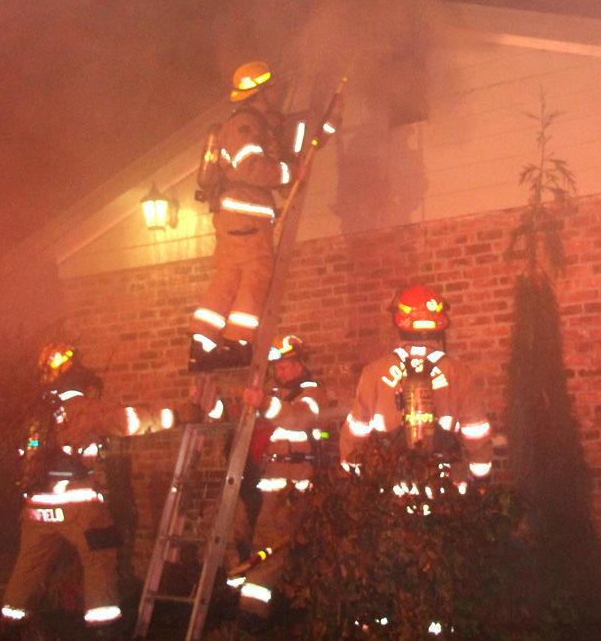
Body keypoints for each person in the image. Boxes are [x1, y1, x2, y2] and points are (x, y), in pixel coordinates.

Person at [0, 343, 175, 634]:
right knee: (100, 559)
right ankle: (103, 629)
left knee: (28, 568)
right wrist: (175, 416)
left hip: (36, 508)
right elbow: (128, 421)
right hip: (77, 507)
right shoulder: (83, 407)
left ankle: (10, 626)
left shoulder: (39, 411)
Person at [188, 61, 294, 372]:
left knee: (229, 276)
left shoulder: (248, 124)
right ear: (261, 93)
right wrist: (289, 172)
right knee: (256, 274)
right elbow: (251, 169)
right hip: (246, 216)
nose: (277, 94)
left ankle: (203, 342)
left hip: (236, 217)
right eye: (272, 89)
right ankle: (238, 343)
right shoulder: (246, 125)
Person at [225, 334, 332, 622]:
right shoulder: (274, 394)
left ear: (300, 365)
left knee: (271, 543)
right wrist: (218, 402)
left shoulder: (312, 395)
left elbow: (298, 419)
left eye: (285, 366)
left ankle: (252, 611)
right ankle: (236, 596)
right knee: (241, 532)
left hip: (291, 484)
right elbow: (240, 418)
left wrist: (265, 403)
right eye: (277, 367)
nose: (280, 372)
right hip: (260, 479)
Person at [340, 284, 493, 485]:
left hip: (390, 489)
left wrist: (354, 477)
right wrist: (480, 477)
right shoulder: (458, 372)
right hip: (446, 488)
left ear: (398, 322)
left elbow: (354, 435)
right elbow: (476, 432)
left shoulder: (373, 373)